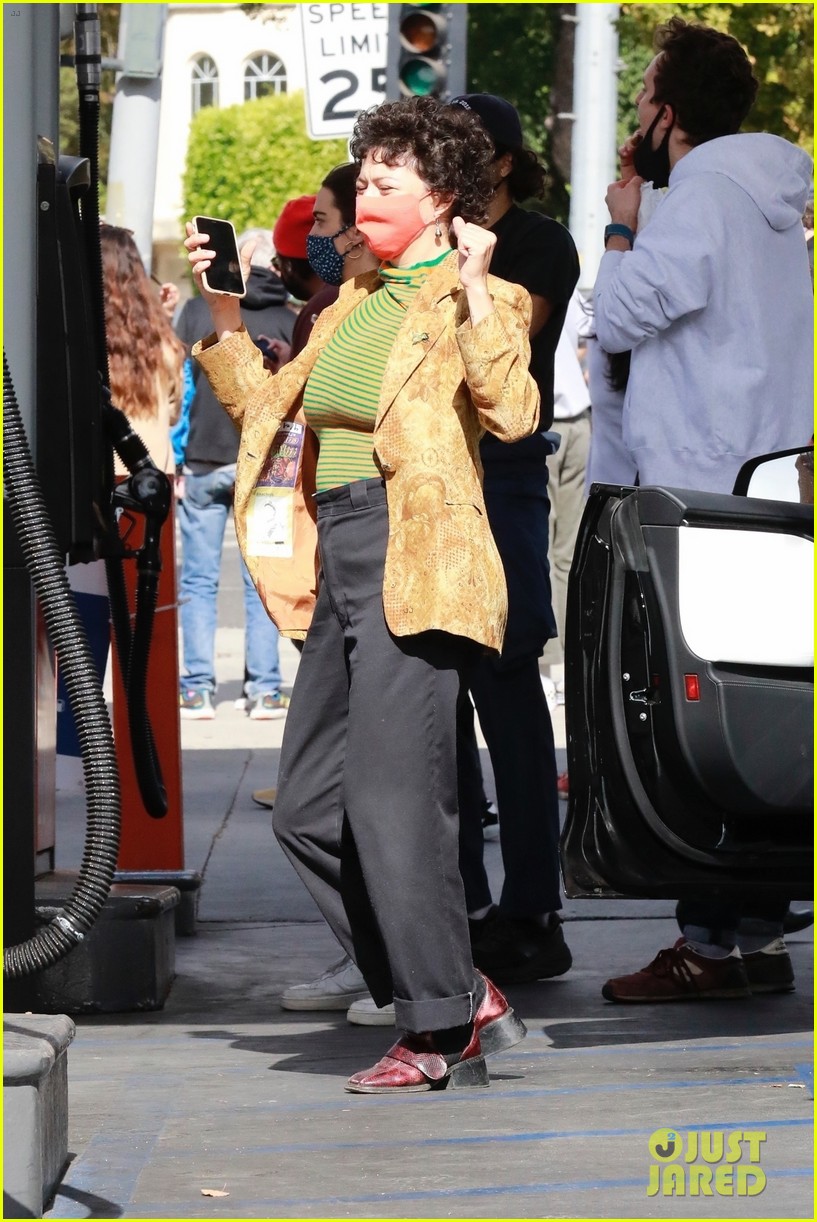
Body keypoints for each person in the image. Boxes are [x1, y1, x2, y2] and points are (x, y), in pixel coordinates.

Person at [187, 95, 536, 1093]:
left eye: (386, 181)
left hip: (414, 552)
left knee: (394, 800)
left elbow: (511, 411)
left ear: (440, 201)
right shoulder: (351, 299)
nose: (365, 196)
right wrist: (220, 312)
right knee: (305, 808)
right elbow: (267, 407)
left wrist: (470, 285)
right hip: (337, 547)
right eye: (364, 178)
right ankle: (450, 988)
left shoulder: (483, 297)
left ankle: (437, 1029)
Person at [593, 17, 813, 1002]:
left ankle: (708, 938)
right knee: (757, 706)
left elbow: (624, 312)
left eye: (644, 93)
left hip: (693, 490)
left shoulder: (695, 200)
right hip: (766, 478)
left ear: (669, 113)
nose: (637, 107)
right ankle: (753, 931)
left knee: (689, 715)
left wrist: (621, 225)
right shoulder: (770, 197)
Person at [448, 93, 578, 988]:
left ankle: (531, 908)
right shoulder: (425, 245)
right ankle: (455, 904)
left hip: (502, 476)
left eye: (459, 148)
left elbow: (501, 337)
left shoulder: (535, 242)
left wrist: (454, 266)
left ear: (499, 163)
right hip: (428, 484)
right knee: (431, 699)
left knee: (506, 686)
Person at [252, 164, 382, 813]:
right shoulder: (330, 308)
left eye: (323, 224)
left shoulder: (350, 306)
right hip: (340, 520)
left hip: (359, 524)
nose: (316, 240)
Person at [174, 228, 295, 720]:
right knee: (260, 582)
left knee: (199, 581)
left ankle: (197, 688)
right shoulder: (292, 318)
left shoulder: (197, 311)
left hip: (204, 459)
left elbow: (181, 386)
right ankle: (265, 690)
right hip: (266, 465)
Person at [100, 224, 184, 474]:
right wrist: (164, 322)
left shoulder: (76, 344)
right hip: (150, 483)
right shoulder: (164, 347)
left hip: (94, 479)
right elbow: (172, 414)